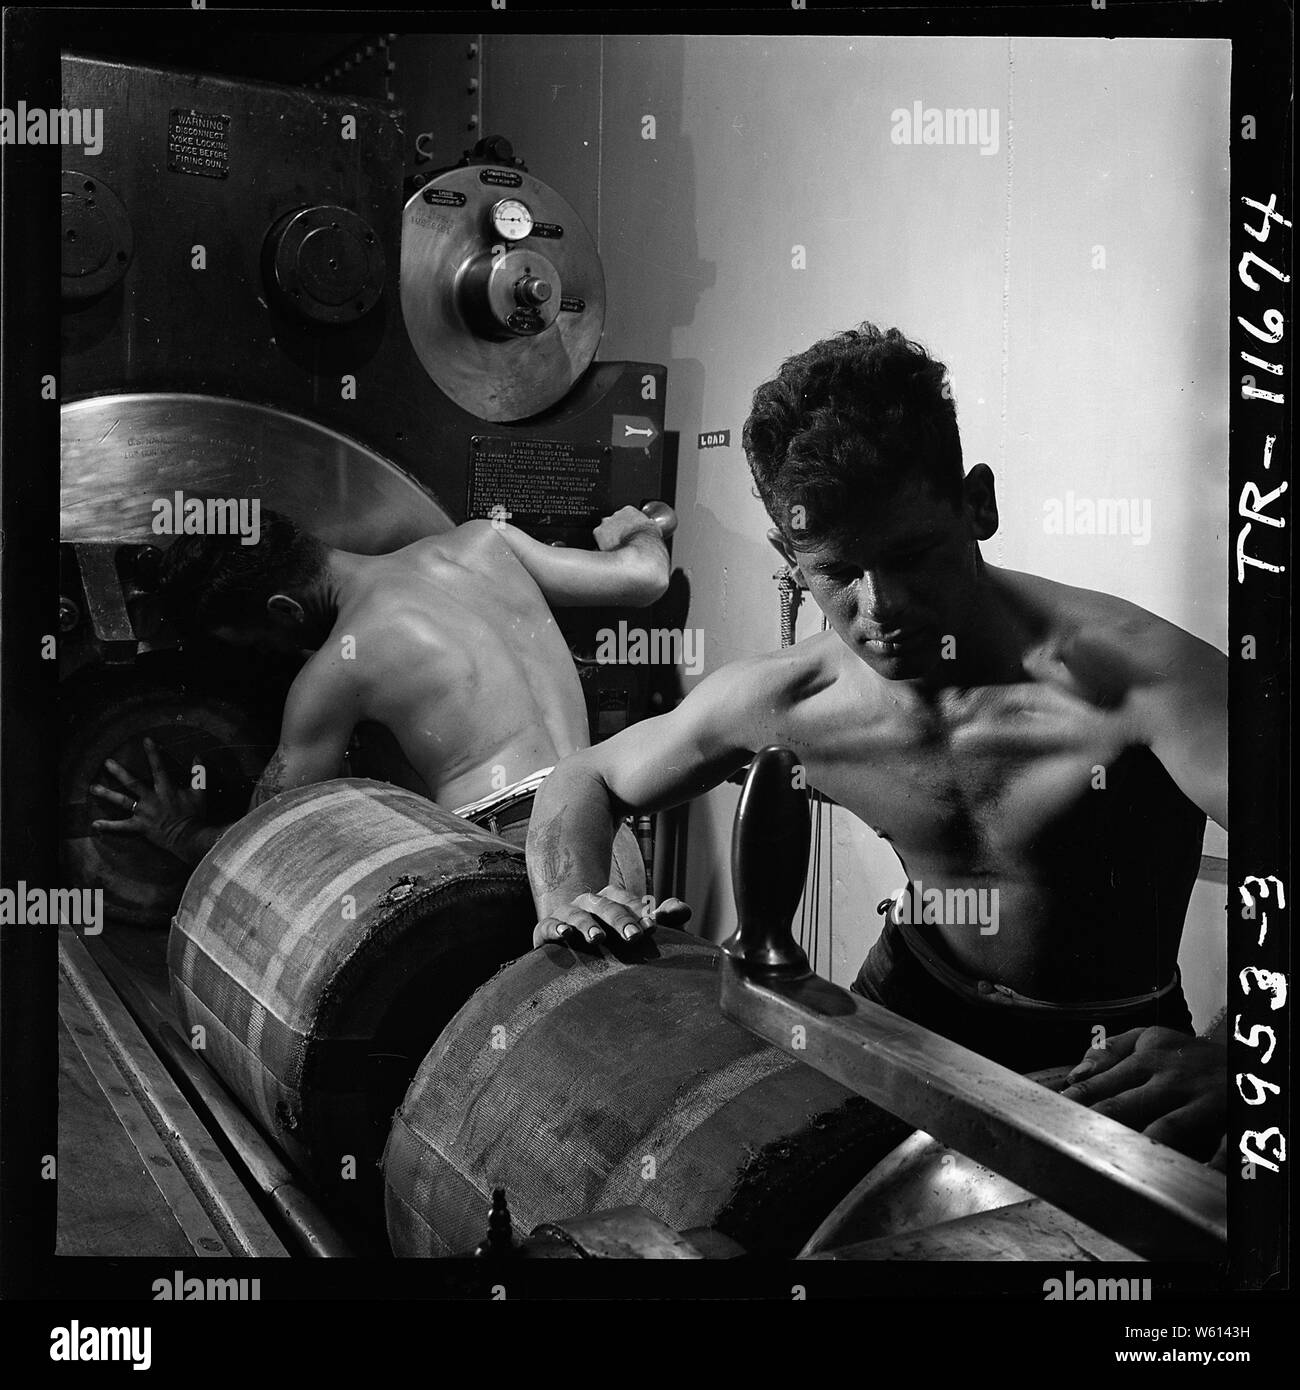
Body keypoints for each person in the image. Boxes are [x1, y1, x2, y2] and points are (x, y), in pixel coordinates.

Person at [525, 323, 1228, 1165]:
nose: (880, 606)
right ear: (791, 558)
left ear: (978, 505)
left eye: (911, 556)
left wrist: (1247, 1054)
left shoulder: (1144, 681)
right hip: (908, 1007)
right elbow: (585, 778)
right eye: (836, 572)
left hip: (1115, 1044)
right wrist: (571, 898)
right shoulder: (796, 701)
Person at [91, 504, 670, 881]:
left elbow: (261, 847)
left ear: (284, 611)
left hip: (518, 863)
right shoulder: (485, 542)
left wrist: (175, 830)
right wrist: (638, 528)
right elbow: (646, 579)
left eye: (258, 642)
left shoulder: (335, 672)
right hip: (612, 832)